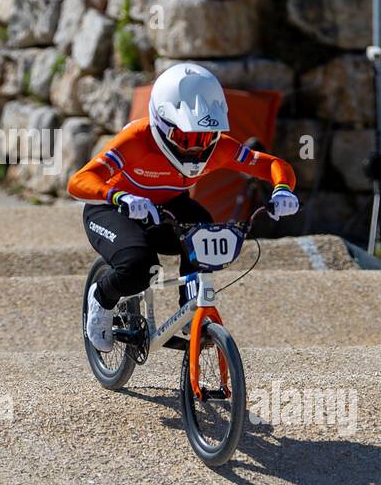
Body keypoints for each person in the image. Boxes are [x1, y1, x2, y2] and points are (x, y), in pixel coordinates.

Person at [68, 63, 300, 352]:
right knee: (140, 267)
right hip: (112, 207)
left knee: (204, 231)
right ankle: (101, 297)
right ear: (161, 125)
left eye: (203, 138)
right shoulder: (138, 139)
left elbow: (274, 164)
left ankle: (191, 309)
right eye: (184, 138)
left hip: (164, 208)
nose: (194, 150)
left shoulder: (220, 148)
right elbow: (80, 180)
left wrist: (281, 190)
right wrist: (118, 197)